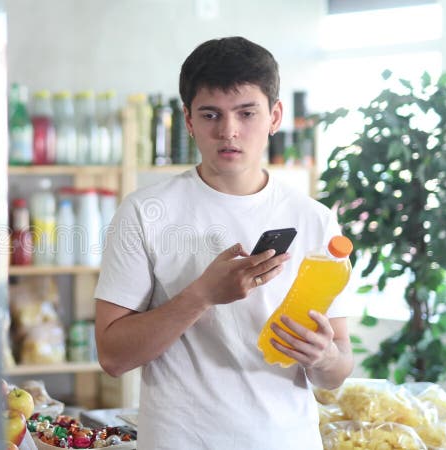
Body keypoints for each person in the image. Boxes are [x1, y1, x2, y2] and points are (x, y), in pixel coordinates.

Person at [94, 36, 354, 449]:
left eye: (246, 113)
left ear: (274, 116)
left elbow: (337, 370)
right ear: (188, 120)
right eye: (211, 114)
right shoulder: (145, 212)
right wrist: (202, 295)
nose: (229, 131)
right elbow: (112, 356)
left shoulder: (315, 219)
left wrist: (324, 358)